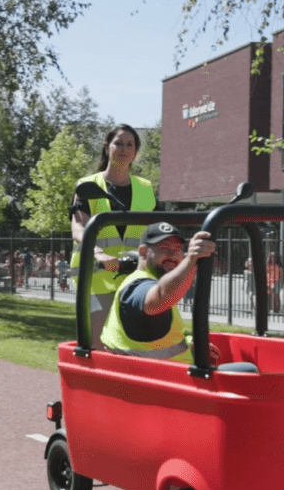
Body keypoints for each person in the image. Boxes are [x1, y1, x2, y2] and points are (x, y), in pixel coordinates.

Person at [70, 124, 156, 347]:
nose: (124, 149)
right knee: (98, 343)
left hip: (135, 277)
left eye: (130, 144)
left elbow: (154, 230)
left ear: (136, 152)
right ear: (107, 147)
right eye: (118, 143)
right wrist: (98, 254)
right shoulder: (88, 185)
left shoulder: (145, 187)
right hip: (96, 276)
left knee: (133, 343)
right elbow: (78, 227)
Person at [101, 222, 217, 364]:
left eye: (178, 249)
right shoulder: (138, 285)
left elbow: (159, 341)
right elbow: (160, 297)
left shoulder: (154, 280)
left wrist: (188, 342)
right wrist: (190, 260)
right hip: (165, 381)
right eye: (164, 248)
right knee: (248, 370)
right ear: (143, 252)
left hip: (173, 377)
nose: (173, 254)